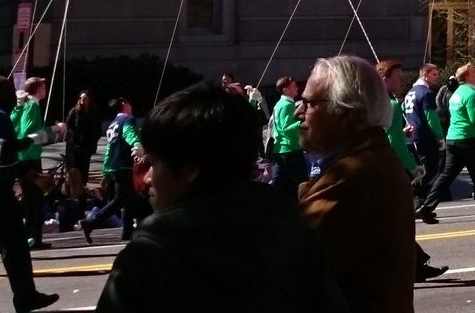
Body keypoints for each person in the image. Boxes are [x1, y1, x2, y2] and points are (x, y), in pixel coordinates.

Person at [95, 81, 348, 313]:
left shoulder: (145, 264)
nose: (148, 178)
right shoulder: (299, 240)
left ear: (190, 168)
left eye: (155, 163)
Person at [297, 56, 418, 313]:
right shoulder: (365, 160)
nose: (299, 112)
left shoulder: (354, 176)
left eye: (309, 103)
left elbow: (290, 262)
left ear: (345, 113)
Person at [376, 60, 448, 284]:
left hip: (376, 166)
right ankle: (414, 264)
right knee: (398, 221)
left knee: (389, 221)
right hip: (391, 168)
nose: (401, 81)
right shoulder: (393, 104)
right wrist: (413, 167)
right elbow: (395, 141)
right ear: (385, 78)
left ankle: (417, 262)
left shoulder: (373, 104)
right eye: (397, 77)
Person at [0, 77, 54, 312]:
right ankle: (25, 297)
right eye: (11, 91)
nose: (16, 96)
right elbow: (2, 150)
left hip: (1, 189)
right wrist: (39, 137)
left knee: (13, 245)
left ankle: (26, 296)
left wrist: (32, 176)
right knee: (15, 246)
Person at [418, 63, 475, 223]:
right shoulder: (471, 93)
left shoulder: (458, 92)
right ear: (468, 76)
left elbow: (462, 118)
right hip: (468, 140)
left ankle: (427, 208)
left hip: (453, 138)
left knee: (447, 175)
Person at [81, 98, 145, 243]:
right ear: (124, 105)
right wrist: (136, 144)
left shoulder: (112, 124)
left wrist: (106, 169)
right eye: (129, 103)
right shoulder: (128, 119)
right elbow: (129, 134)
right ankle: (91, 222)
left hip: (114, 165)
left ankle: (127, 231)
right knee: (121, 199)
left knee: (127, 198)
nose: (131, 105)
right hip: (124, 163)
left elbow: (109, 149)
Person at [12, 77, 52, 249]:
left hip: (21, 158)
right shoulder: (33, 105)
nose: (45, 89)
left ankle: (31, 237)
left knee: (31, 199)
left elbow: (15, 125)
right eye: (44, 86)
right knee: (34, 199)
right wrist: (52, 130)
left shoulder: (23, 105)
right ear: (38, 89)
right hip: (30, 158)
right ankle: (33, 238)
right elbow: (28, 132)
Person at [405, 63, 444, 198]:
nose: (437, 77)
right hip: (423, 136)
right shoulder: (426, 93)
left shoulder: (410, 92)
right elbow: (431, 118)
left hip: (411, 135)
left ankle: (417, 198)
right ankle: (415, 196)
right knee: (430, 169)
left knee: (421, 169)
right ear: (425, 74)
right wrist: (439, 137)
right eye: (434, 74)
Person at [269, 75, 307, 194]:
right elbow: (286, 129)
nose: (297, 88)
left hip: (283, 149)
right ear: (285, 89)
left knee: (280, 183)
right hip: (291, 149)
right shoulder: (286, 105)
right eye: (294, 86)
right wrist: (303, 120)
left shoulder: (281, 104)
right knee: (303, 183)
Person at [63, 90, 100, 205]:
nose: (82, 100)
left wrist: (92, 142)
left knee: (83, 173)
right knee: (73, 173)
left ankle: (81, 195)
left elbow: (97, 130)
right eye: (81, 98)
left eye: (85, 98)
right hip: (74, 148)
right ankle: (71, 196)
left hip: (86, 149)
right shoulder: (74, 111)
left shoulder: (93, 113)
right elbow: (69, 126)